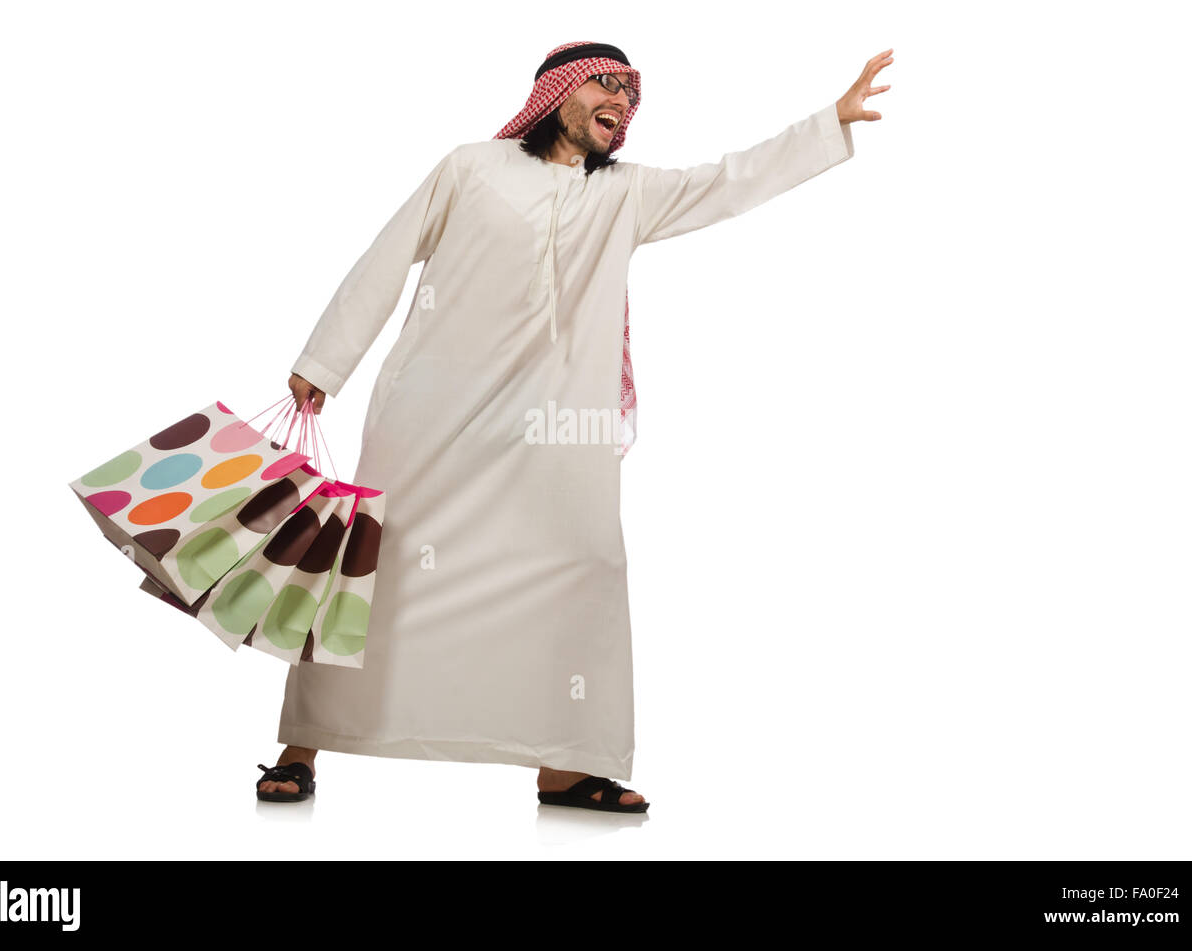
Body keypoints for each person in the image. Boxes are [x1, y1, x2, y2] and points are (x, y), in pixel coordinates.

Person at [256, 41, 892, 812]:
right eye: (606, 84)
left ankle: (566, 765)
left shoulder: (624, 194)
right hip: (433, 419)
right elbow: (387, 257)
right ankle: (300, 748)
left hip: (559, 431)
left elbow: (728, 181)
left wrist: (831, 121)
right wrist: (325, 361)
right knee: (376, 571)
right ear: (556, 93)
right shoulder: (472, 169)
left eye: (631, 94)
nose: (622, 103)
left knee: (584, 566)